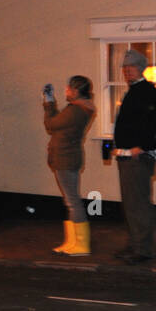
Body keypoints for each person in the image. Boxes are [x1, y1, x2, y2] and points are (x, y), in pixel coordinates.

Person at [112, 48, 156, 264]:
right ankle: (135, 244)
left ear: (141, 68)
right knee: (131, 203)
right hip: (128, 155)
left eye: (131, 67)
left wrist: (140, 146)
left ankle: (142, 248)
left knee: (138, 203)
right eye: (125, 68)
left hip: (136, 157)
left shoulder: (146, 91)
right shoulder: (135, 91)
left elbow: (151, 121)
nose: (127, 71)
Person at [42, 75, 96, 255]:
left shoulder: (76, 110)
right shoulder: (81, 109)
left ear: (76, 90)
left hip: (66, 157)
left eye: (68, 88)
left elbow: (51, 124)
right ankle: (72, 241)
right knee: (71, 200)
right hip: (68, 156)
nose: (65, 90)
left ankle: (80, 244)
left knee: (72, 201)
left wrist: (49, 102)